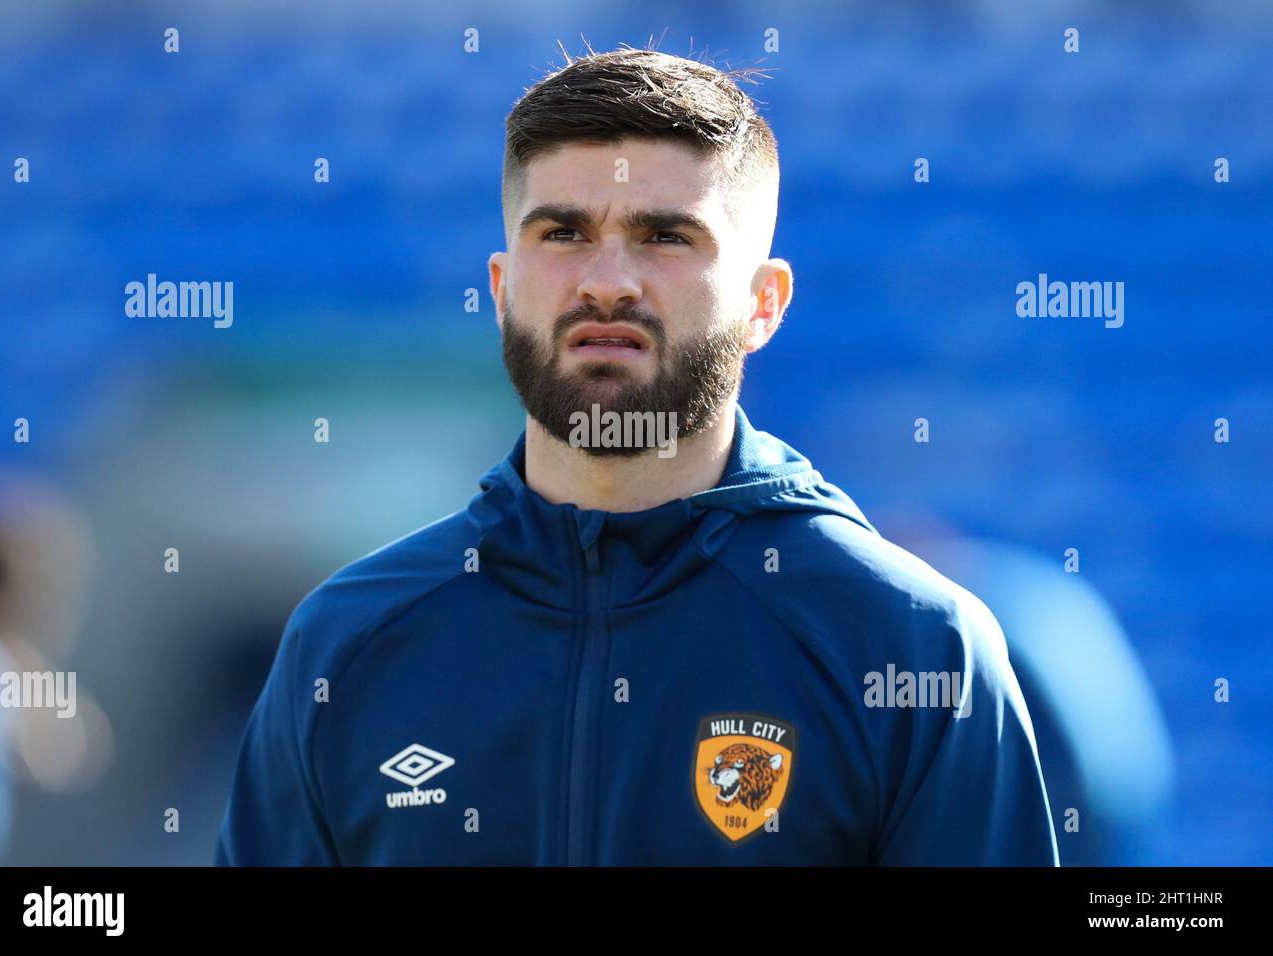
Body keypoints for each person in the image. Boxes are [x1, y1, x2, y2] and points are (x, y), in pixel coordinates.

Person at [215, 46, 1059, 866]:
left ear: (764, 304)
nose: (607, 280)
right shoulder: (349, 642)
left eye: (664, 236)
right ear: (504, 289)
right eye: (565, 232)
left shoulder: (909, 650)